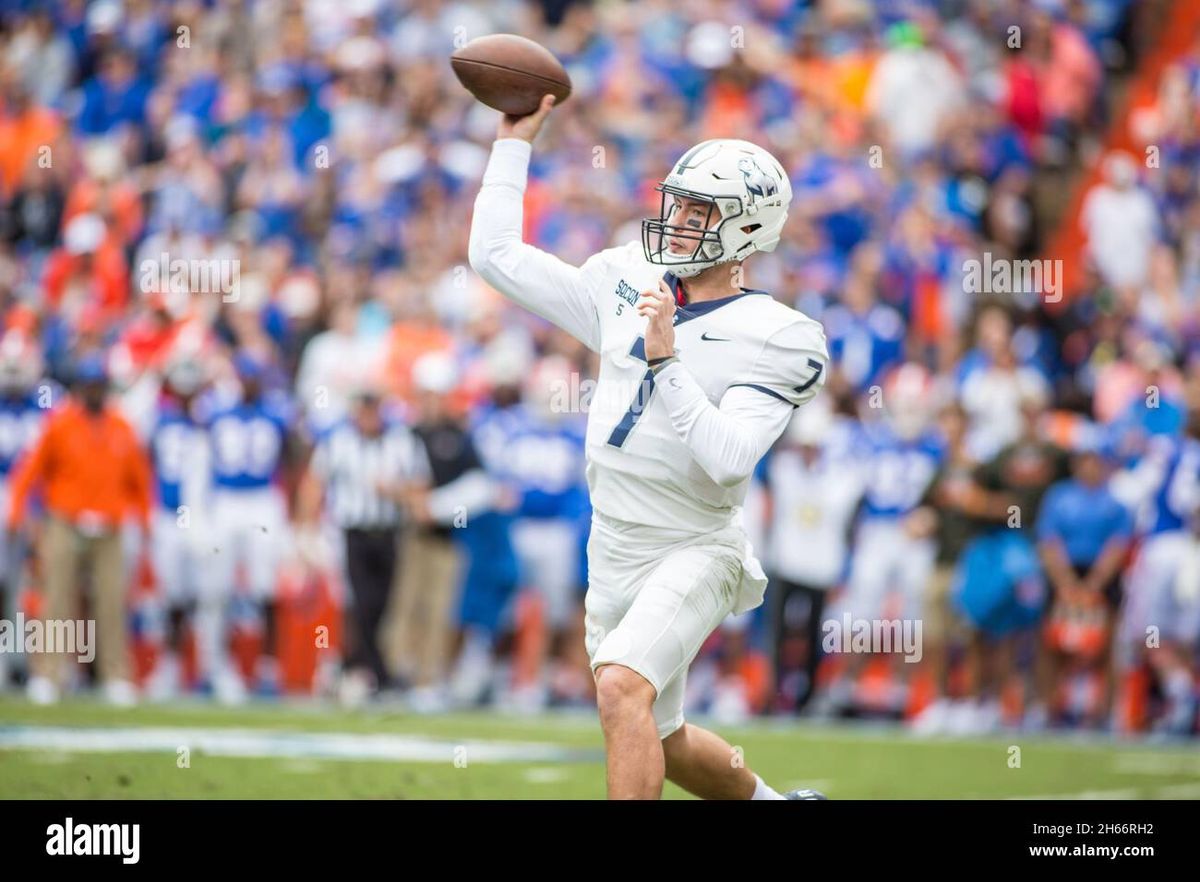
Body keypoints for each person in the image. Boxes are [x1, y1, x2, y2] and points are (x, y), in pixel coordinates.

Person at [469, 96, 829, 800]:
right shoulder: (624, 277)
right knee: (661, 735)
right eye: (680, 205)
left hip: (693, 543)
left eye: (702, 213)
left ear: (749, 229)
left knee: (621, 690)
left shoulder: (780, 334)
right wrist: (513, 143)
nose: (679, 222)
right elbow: (494, 257)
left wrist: (667, 365)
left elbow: (728, 457)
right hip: (613, 542)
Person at [8, 354, 152, 706]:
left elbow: (139, 478)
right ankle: (49, 675)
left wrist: (146, 518)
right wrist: (17, 510)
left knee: (112, 600)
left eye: (99, 386)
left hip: (109, 524)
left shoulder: (121, 426)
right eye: (89, 386)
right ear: (79, 388)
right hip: (65, 519)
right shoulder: (59, 424)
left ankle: (115, 675)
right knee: (56, 598)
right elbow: (31, 469)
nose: (94, 392)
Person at [298, 384, 429, 704]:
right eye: (364, 409)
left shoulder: (403, 442)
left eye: (373, 409)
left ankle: (351, 666)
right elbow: (314, 484)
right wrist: (306, 528)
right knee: (361, 601)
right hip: (351, 532)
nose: (368, 416)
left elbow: (421, 488)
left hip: (388, 533)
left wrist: (395, 491)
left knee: (383, 605)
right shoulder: (337, 442)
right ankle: (376, 674)